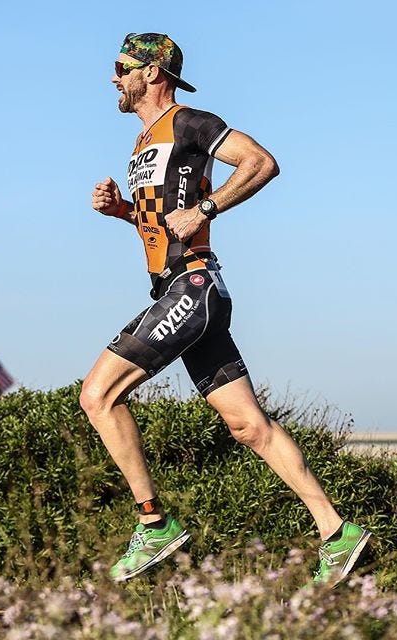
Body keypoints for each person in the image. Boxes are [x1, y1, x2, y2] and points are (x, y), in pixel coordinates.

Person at [81, 32, 371, 584]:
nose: (113, 78)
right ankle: (337, 532)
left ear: (151, 72)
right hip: (185, 292)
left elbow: (260, 162)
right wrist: (122, 210)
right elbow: (164, 222)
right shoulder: (144, 141)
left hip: (192, 290)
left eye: (121, 68)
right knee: (248, 426)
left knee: (98, 396)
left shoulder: (190, 122)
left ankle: (153, 523)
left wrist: (208, 208)